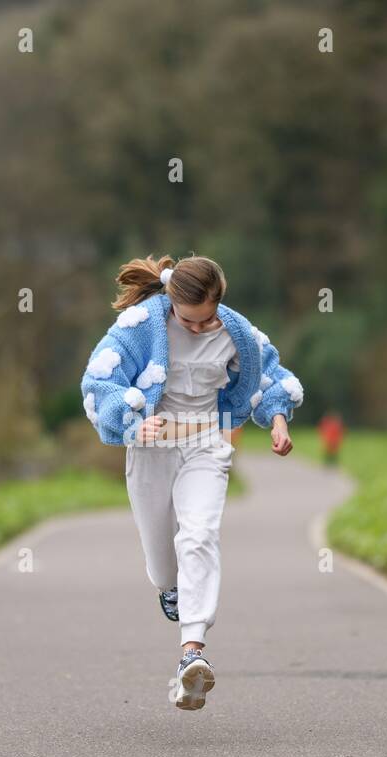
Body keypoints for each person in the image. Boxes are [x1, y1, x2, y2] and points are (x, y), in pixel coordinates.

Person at [80, 254, 304, 710]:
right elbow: (99, 380)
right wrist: (130, 421)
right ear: (172, 302)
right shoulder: (140, 325)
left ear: (219, 303)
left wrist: (278, 421)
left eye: (208, 320)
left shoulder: (238, 332)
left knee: (199, 534)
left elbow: (272, 377)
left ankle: (192, 655)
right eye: (189, 321)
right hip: (152, 449)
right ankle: (170, 590)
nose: (200, 329)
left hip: (205, 442)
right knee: (165, 568)